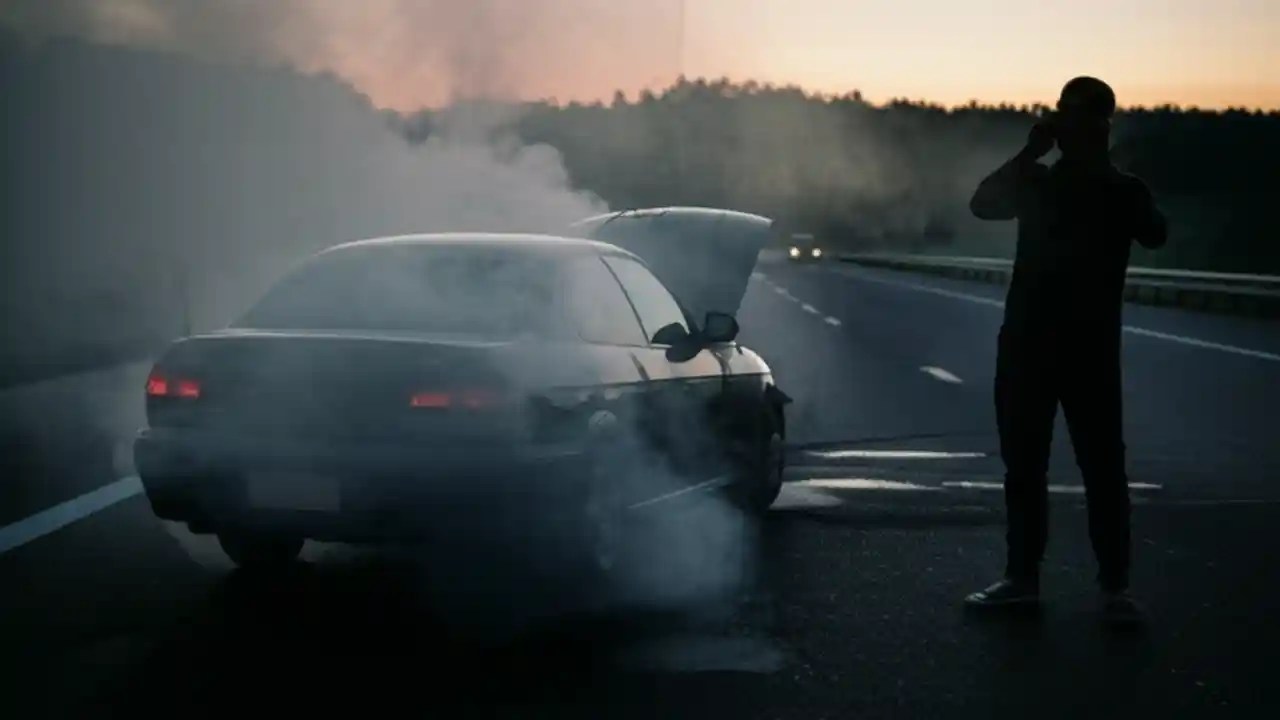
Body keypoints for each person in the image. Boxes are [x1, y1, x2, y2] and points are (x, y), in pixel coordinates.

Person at [964, 77, 1167, 624]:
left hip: (1057, 343)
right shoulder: (1061, 183)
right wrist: (1036, 155)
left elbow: (1155, 233)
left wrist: (1039, 153)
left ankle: (1058, 582)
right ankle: (1082, 585)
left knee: (1076, 467)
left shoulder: (1104, 187)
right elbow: (981, 205)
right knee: (1062, 466)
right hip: (1063, 344)